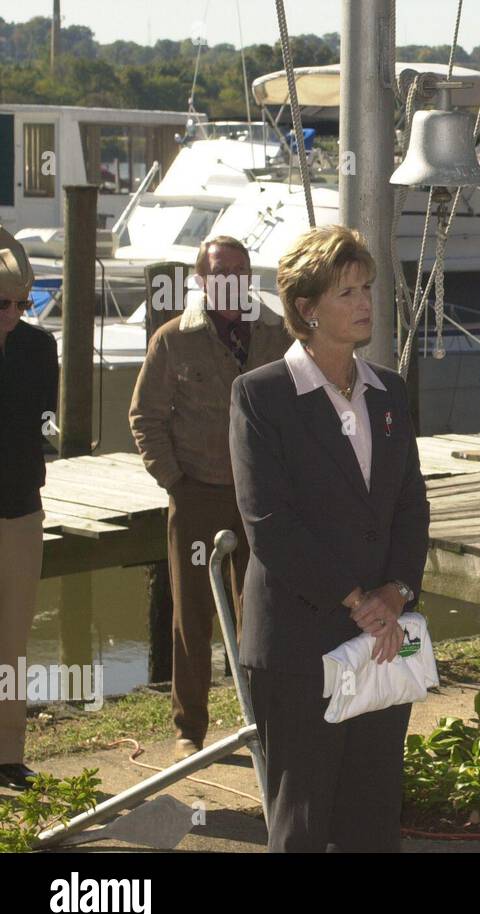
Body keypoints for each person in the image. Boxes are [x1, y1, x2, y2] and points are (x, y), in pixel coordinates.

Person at [229, 225, 430, 851]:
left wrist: (395, 592)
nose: (366, 303)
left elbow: (410, 506)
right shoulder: (261, 396)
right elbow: (270, 526)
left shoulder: (391, 390)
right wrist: (356, 601)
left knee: (374, 816)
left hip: (383, 636)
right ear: (305, 308)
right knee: (304, 819)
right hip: (299, 642)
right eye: (347, 292)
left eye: (367, 287)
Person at [129, 235, 292, 758]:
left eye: (241, 271)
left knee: (260, 611)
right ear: (201, 279)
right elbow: (145, 417)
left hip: (261, 497)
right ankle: (189, 730)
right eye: (221, 272)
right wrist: (174, 479)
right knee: (192, 613)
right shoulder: (174, 339)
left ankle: (263, 722)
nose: (232, 280)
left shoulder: (275, 334)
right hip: (197, 493)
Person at [0, 227, 56, 791]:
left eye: (22, 302)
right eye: (2, 303)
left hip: (19, 507)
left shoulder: (42, 349)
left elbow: (47, 421)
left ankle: (7, 752)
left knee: (12, 638)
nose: (13, 312)